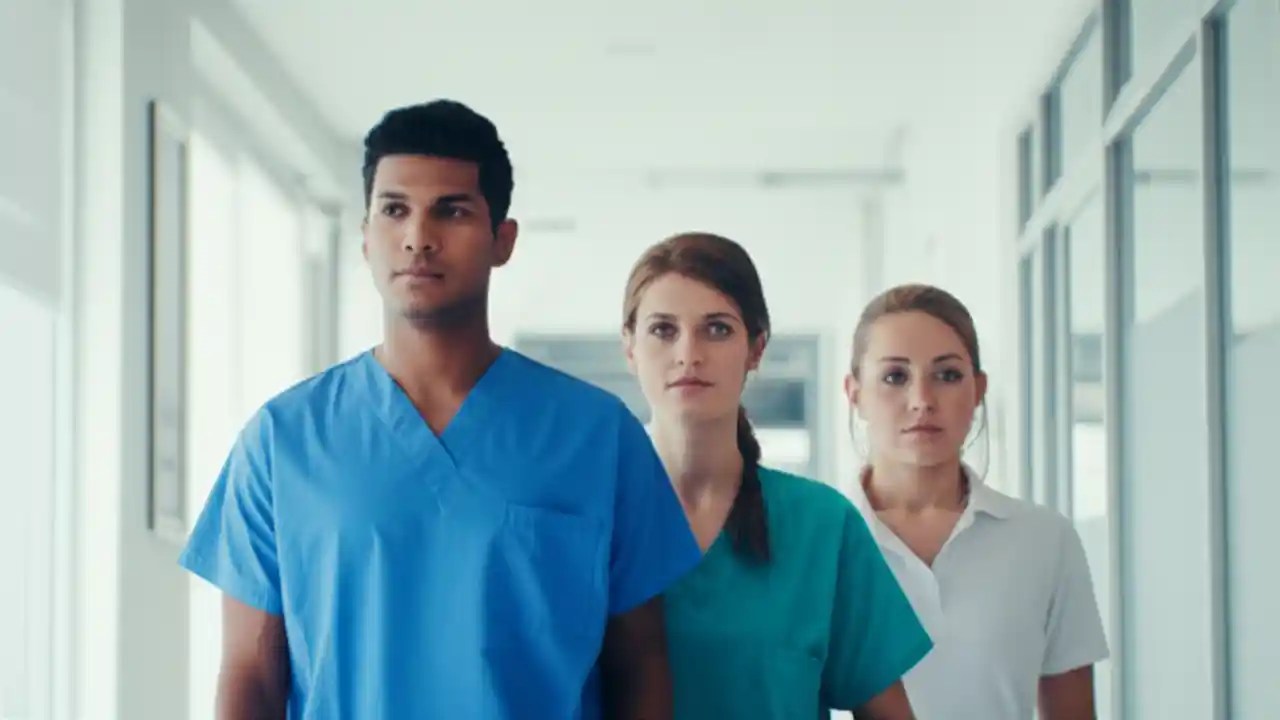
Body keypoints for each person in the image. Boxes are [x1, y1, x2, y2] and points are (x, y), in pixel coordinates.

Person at [180, 99, 702, 719]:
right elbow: (250, 673)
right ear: (366, 235)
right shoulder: (284, 440)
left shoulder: (597, 435)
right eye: (394, 210)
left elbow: (639, 664)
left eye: (450, 211)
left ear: (501, 240)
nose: (418, 237)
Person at [620, 232, 930, 720]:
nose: (688, 353)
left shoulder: (823, 527)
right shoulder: (587, 520)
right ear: (630, 346)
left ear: (756, 348)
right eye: (663, 330)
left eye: (717, 329)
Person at [842, 283, 1109, 719]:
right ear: (855, 393)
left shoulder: (1044, 539)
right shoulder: (817, 544)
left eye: (947, 375)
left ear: (978, 389)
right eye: (895, 377)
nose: (922, 401)